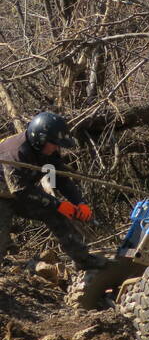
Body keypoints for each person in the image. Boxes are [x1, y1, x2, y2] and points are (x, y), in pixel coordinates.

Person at [0, 112, 106, 272]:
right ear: (41, 140)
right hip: (8, 193)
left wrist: (80, 202)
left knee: (55, 214)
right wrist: (58, 204)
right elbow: (21, 192)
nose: (57, 147)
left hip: (18, 191)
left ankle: (83, 260)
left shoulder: (48, 151)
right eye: (55, 143)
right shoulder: (15, 154)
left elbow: (61, 179)